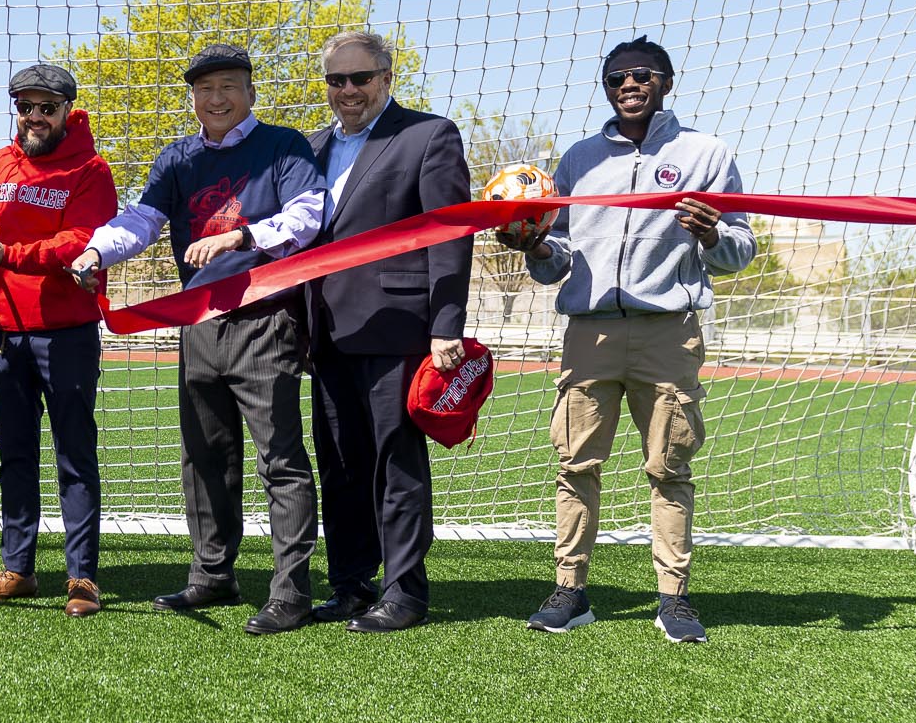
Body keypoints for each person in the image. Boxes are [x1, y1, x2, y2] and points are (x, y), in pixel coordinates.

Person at [503, 36, 755, 643]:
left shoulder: (707, 154)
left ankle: (674, 599)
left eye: (642, 75)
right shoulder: (579, 158)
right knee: (575, 462)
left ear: (667, 82)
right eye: (616, 78)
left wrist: (711, 234)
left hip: (668, 333)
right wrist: (535, 244)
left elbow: (740, 250)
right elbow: (556, 253)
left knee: (669, 466)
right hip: (589, 334)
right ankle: (571, 589)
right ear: (607, 88)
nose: (629, 85)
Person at [71, 44, 327, 634]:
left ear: (251, 92)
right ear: (193, 98)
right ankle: (213, 573)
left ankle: (292, 593)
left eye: (229, 87)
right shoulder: (179, 157)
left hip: (265, 320)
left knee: (280, 460)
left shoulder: (283, 146)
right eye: (205, 90)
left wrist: (240, 237)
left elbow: (310, 215)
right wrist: (95, 249)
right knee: (203, 456)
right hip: (199, 325)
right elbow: (141, 219)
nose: (216, 99)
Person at [303, 31, 473, 634]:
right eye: (336, 80)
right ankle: (351, 584)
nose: (348, 91)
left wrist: (444, 325)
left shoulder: (429, 136)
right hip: (324, 333)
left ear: (387, 76)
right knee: (341, 465)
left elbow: (450, 232)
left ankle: (405, 592)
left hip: (399, 330)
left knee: (395, 466)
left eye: (361, 78)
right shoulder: (311, 146)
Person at [0, 64, 119, 618]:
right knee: (15, 454)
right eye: (25, 106)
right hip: (3, 330)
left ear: (67, 110)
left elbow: (78, 241)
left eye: (46, 107)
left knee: (74, 453)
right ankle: (18, 568)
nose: (34, 117)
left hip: (67, 333)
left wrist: (9, 254)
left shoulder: (90, 169)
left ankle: (82, 577)